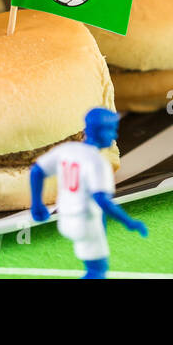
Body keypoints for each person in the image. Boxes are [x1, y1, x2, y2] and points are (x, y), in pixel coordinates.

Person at [29, 108, 147, 279]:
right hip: (86, 221)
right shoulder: (97, 163)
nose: (115, 136)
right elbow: (103, 201)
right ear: (100, 131)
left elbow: (36, 172)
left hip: (65, 219)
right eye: (112, 130)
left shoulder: (67, 150)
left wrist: (37, 205)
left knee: (93, 266)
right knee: (97, 271)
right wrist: (129, 222)